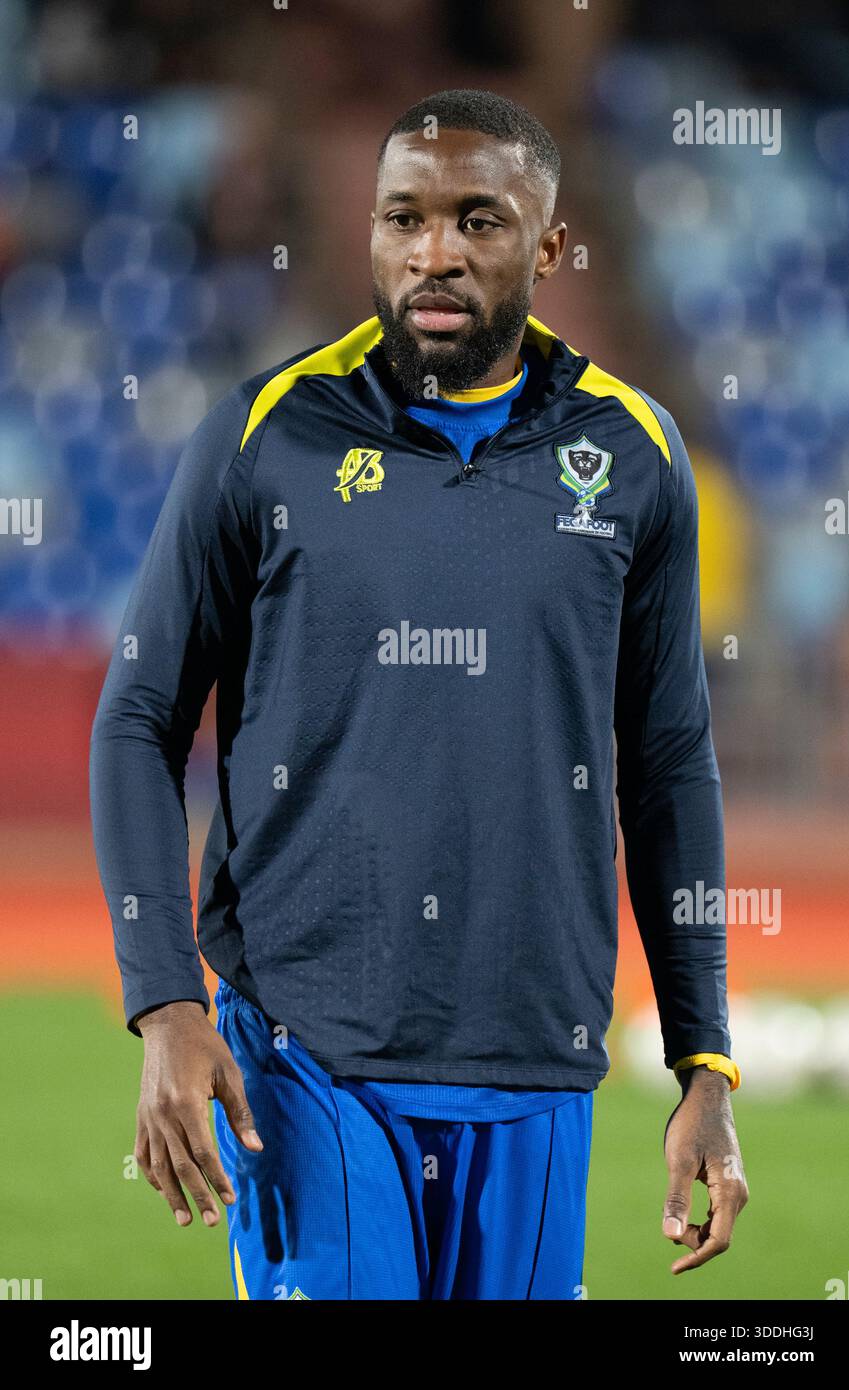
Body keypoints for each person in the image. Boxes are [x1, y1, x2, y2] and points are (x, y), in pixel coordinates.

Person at [90, 88, 748, 1301]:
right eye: (404, 217)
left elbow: (669, 762)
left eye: (478, 221)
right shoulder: (263, 435)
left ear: (550, 246)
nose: (433, 252)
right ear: (372, 230)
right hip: (308, 1051)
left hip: (539, 1060)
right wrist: (166, 1000)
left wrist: (703, 1055)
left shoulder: (638, 453)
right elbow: (137, 718)